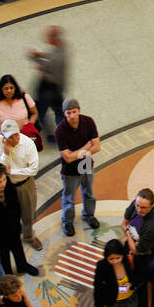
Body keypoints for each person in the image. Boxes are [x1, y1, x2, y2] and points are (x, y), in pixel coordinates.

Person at [0, 120, 41, 252]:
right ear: (3, 137)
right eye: (10, 137)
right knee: (7, 216)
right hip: (4, 187)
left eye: (16, 135)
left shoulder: (27, 143)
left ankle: (28, 236)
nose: (15, 139)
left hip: (25, 184)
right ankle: (12, 239)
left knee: (28, 213)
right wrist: (6, 153)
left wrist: (12, 172)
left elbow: (33, 169)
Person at [0, 162, 39, 278]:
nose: (3, 184)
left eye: (4, 180)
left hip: (14, 227)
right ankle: (8, 274)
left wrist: (16, 222)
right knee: (4, 254)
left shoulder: (9, 185)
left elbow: (15, 204)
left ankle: (22, 265)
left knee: (18, 248)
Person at [55, 97, 100, 237]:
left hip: (86, 163)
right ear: (64, 113)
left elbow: (97, 146)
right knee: (69, 197)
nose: (72, 116)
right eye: (68, 113)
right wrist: (86, 147)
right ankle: (67, 221)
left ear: (79, 110)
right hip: (70, 170)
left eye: (74, 112)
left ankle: (89, 214)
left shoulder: (88, 122)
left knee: (89, 192)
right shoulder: (60, 131)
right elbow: (67, 158)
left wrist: (78, 153)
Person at [28, 26, 66, 143]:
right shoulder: (61, 48)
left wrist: (40, 66)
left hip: (48, 89)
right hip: (57, 88)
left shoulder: (57, 57)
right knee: (59, 110)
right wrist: (41, 56)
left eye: (48, 36)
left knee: (39, 112)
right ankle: (63, 134)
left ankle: (52, 136)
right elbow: (52, 58)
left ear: (53, 38)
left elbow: (51, 74)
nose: (46, 38)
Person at [121, 188, 154, 288]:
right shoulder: (136, 202)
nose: (139, 210)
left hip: (146, 253)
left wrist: (128, 233)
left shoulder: (153, 225)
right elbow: (124, 223)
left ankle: (134, 285)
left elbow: (135, 251)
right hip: (134, 241)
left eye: (143, 208)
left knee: (141, 273)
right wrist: (131, 238)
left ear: (152, 206)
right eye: (137, 206)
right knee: (125, 260)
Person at [0, 73, 39, 142]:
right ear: (1, 90)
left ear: (15, 88)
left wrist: (29, 126)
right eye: (6, 88)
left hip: (24, 138)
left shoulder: (24, 97)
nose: (9, 91)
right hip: (6, 140)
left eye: (11, 87)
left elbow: (34, 113)